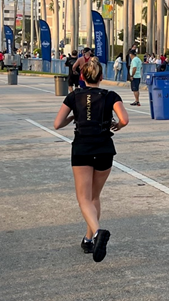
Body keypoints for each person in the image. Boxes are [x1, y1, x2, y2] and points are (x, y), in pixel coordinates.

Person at [53, 58, 128, 262]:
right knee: (94, 197)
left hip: (82, 149)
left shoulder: (73, 96)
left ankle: (97, 232)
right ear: (101, 77)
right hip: (104, 149)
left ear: (83, 77)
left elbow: (57, 124)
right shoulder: (110, 95)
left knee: (83, 199)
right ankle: (88, 239)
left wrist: (74, 117)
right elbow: (124, 119)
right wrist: (118, 126)